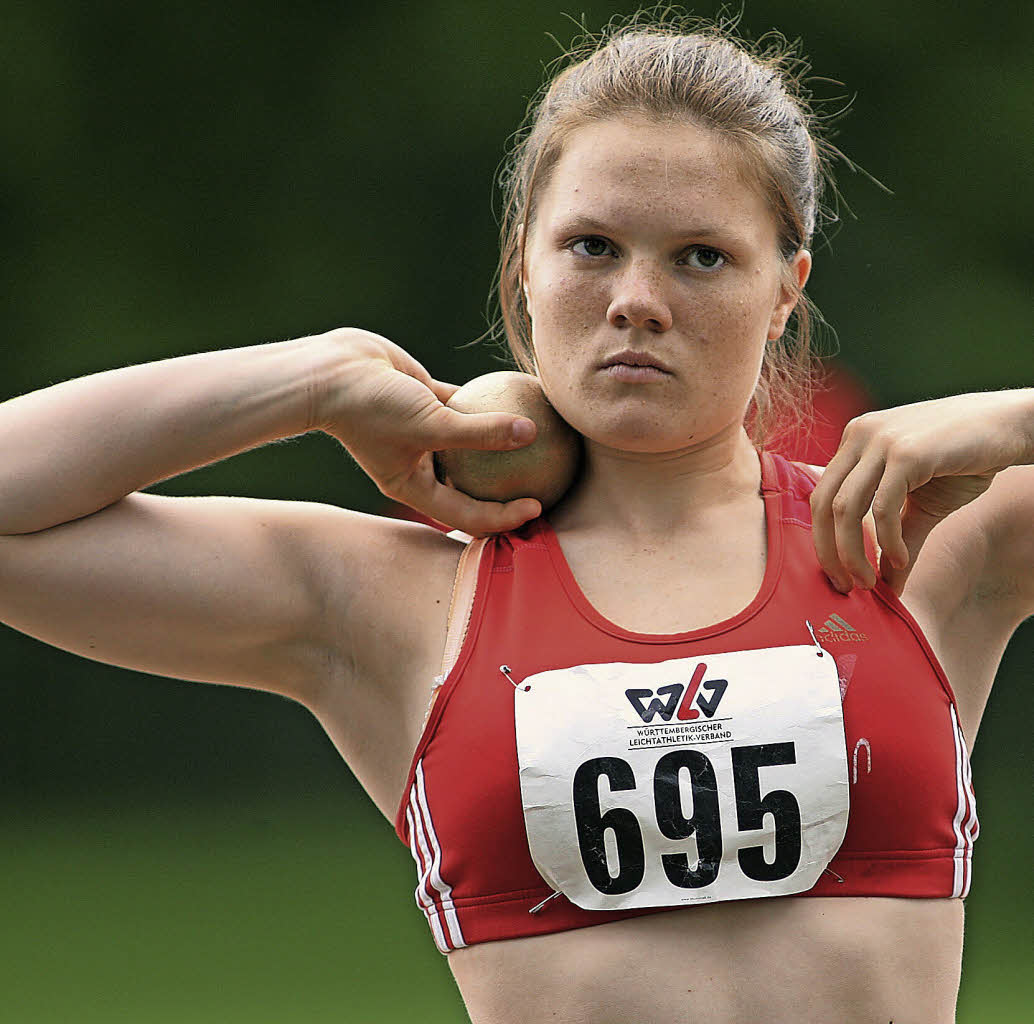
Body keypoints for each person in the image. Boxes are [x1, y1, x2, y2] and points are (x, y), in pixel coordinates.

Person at [0, 12, 1030, 1023]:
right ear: (523, 271)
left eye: (700, 257)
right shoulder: (398, 604)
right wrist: (313, 376)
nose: (636, 298)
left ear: (782, 293)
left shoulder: (913, 541)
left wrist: (1007, 418)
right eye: (590, 246)